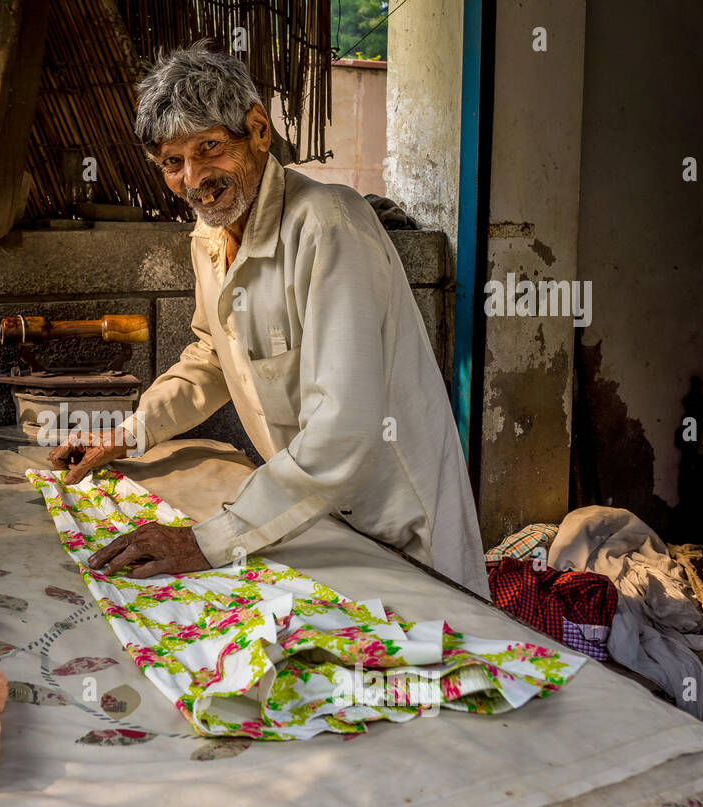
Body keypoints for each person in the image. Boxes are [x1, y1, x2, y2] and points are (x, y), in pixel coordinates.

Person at [49, 42, 490, 598]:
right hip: (313, 514)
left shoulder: (328, 226)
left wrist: (207, 540)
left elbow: (345, 427)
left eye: (210, 148)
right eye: (172, 162)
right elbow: (213, 357)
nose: (194, 178)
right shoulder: (210, 239)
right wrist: (127, 435)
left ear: (258, 131)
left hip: (397, 525)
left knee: (416, 661)